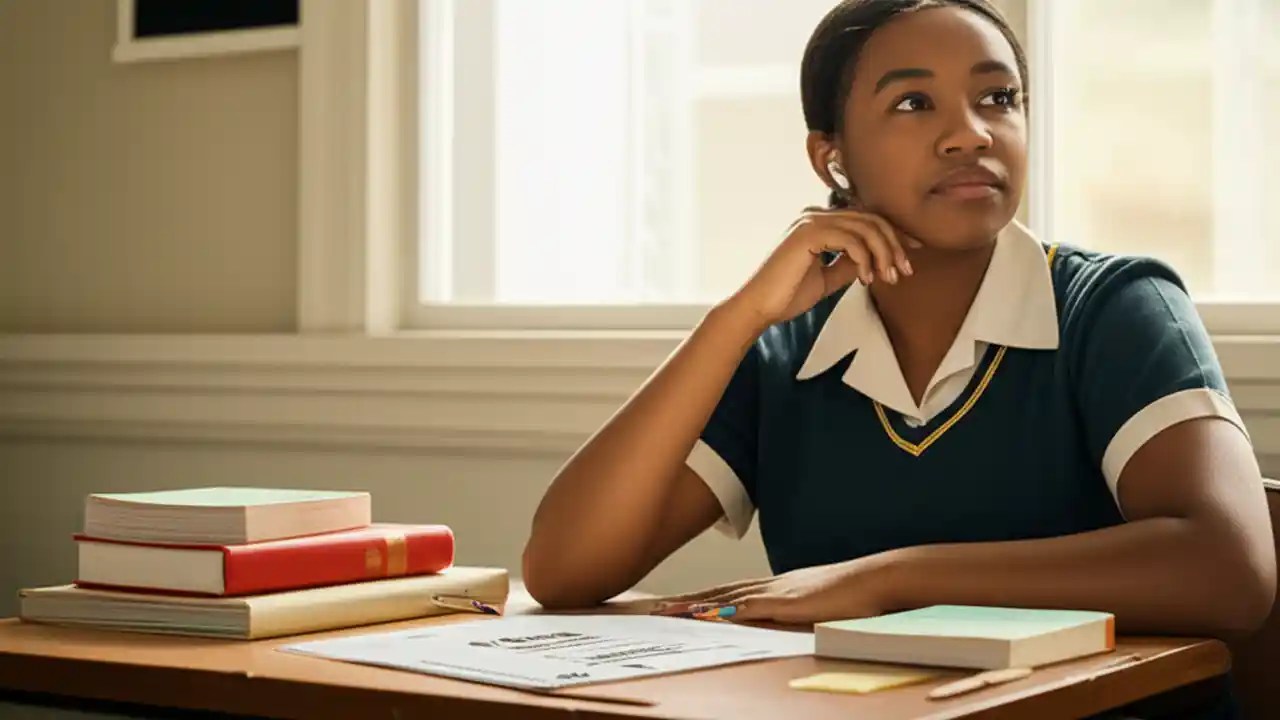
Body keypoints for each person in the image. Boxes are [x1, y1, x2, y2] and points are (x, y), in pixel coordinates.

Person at [523, 1, 1274, 714]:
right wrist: (739, 316)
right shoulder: (785, 350)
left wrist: (889, 579)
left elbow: (1229, 569)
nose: (972, 134)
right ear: (832, 156)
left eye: (999, 98)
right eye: (916, 104)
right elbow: (564, 571)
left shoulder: (1112, 307)